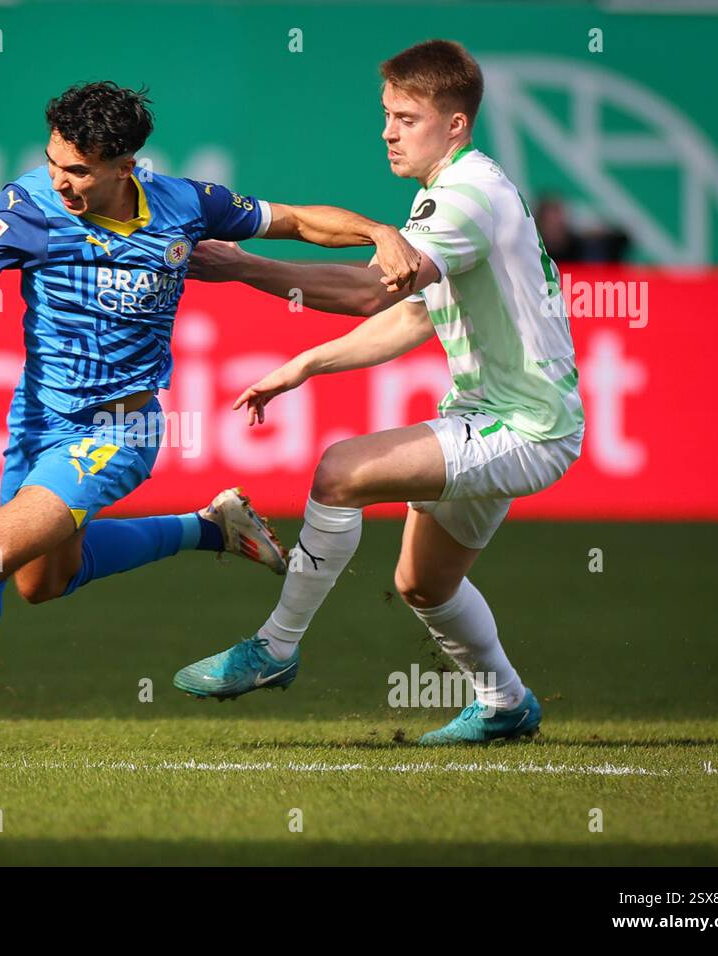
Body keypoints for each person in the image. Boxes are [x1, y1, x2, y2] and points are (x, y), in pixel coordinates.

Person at [0, 81, 423, 748]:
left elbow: (299, 221)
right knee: (39, 583)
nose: (60, 180)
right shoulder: (24, 206)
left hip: (119, 432)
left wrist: (377, 231)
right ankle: (209, 528)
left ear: (124, 166)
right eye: (53, 161)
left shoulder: (185, 205)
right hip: (35, 424)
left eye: (77, 170)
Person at [173, 40, 585, 745]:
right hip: (502, 416)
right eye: (387, 115)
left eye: (407, 117)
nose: (389, 131)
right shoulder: (453, 193)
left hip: (526, 425)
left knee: (341, 471)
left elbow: (370, 291)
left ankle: (274, 649)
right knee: (425, 585)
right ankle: (506, 705)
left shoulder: (467, 195)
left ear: (456, 124)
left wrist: (245, 267)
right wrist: (304, 364)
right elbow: (413, 315)